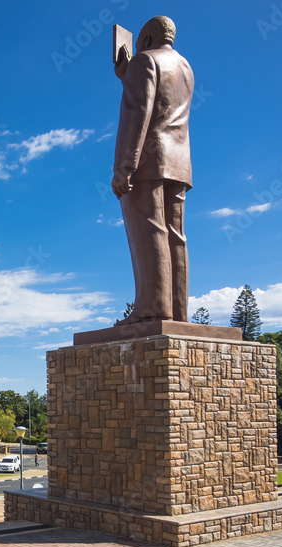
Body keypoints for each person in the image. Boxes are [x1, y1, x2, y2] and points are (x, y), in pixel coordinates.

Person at [112, 16, 194, 324]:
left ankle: (152, 308)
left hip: (149, 160)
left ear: (145, 40)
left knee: (149, 231)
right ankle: (176, 312)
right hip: (178, 162)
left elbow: (139, 112)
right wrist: (126, 76)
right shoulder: (185, 68)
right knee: (175, 235)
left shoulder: (144, 61)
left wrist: (125, 166)